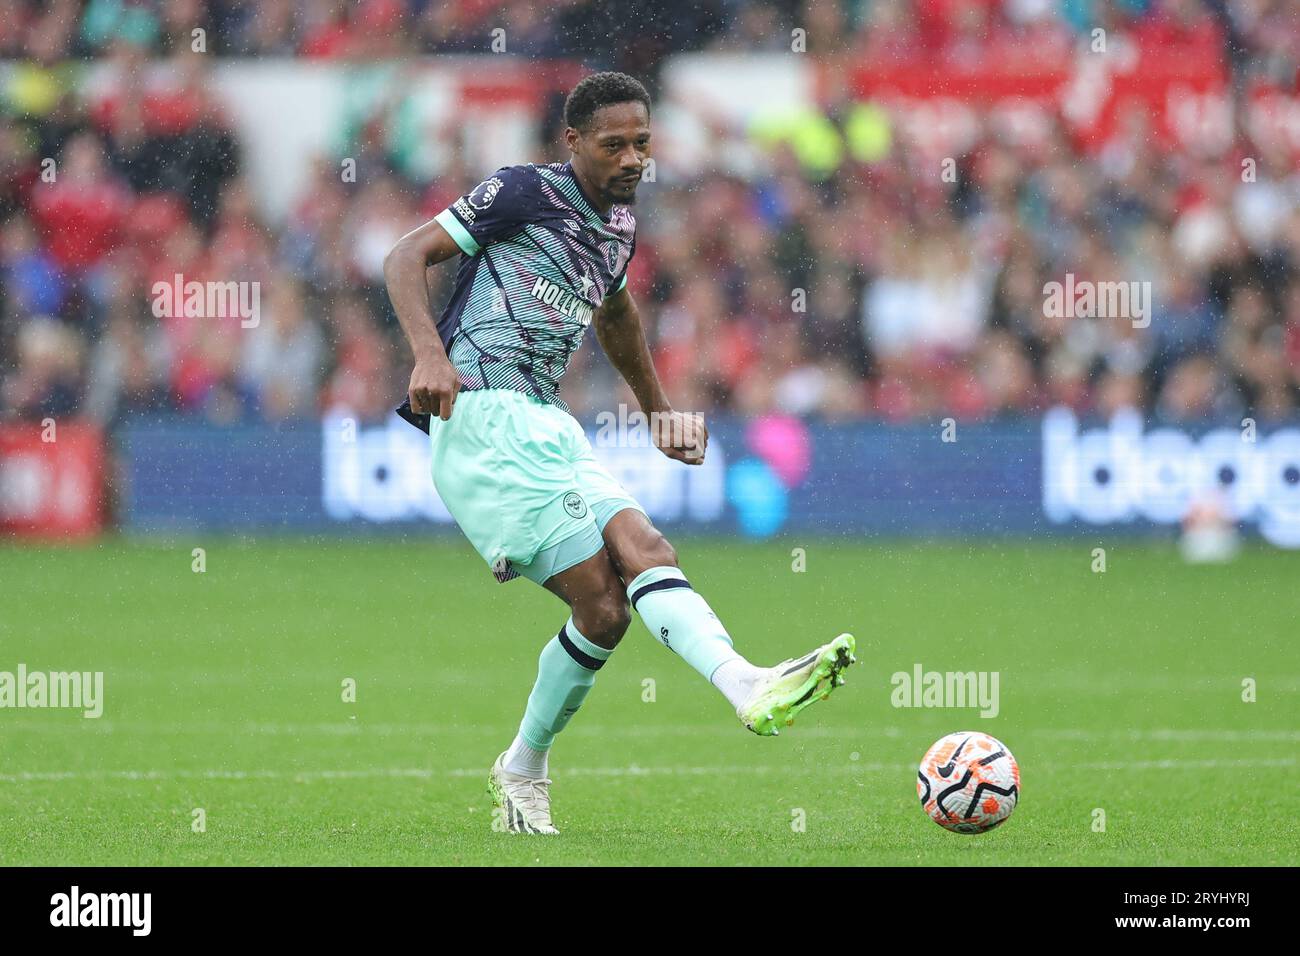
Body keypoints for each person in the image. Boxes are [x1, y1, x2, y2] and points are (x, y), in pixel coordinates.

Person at [384, 72, 855, 834]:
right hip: (481, 417)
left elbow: (616, 313)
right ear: (572, 142)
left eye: (643, 142)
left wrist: (658, 414)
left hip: (545, 419)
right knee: (605, 590)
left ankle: (533, 766)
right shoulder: (522, 192)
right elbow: (406, 256)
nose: (633, 157)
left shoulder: (620, 226)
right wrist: (428, 355)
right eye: (614, 144)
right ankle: (739, 685)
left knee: (616, 597)